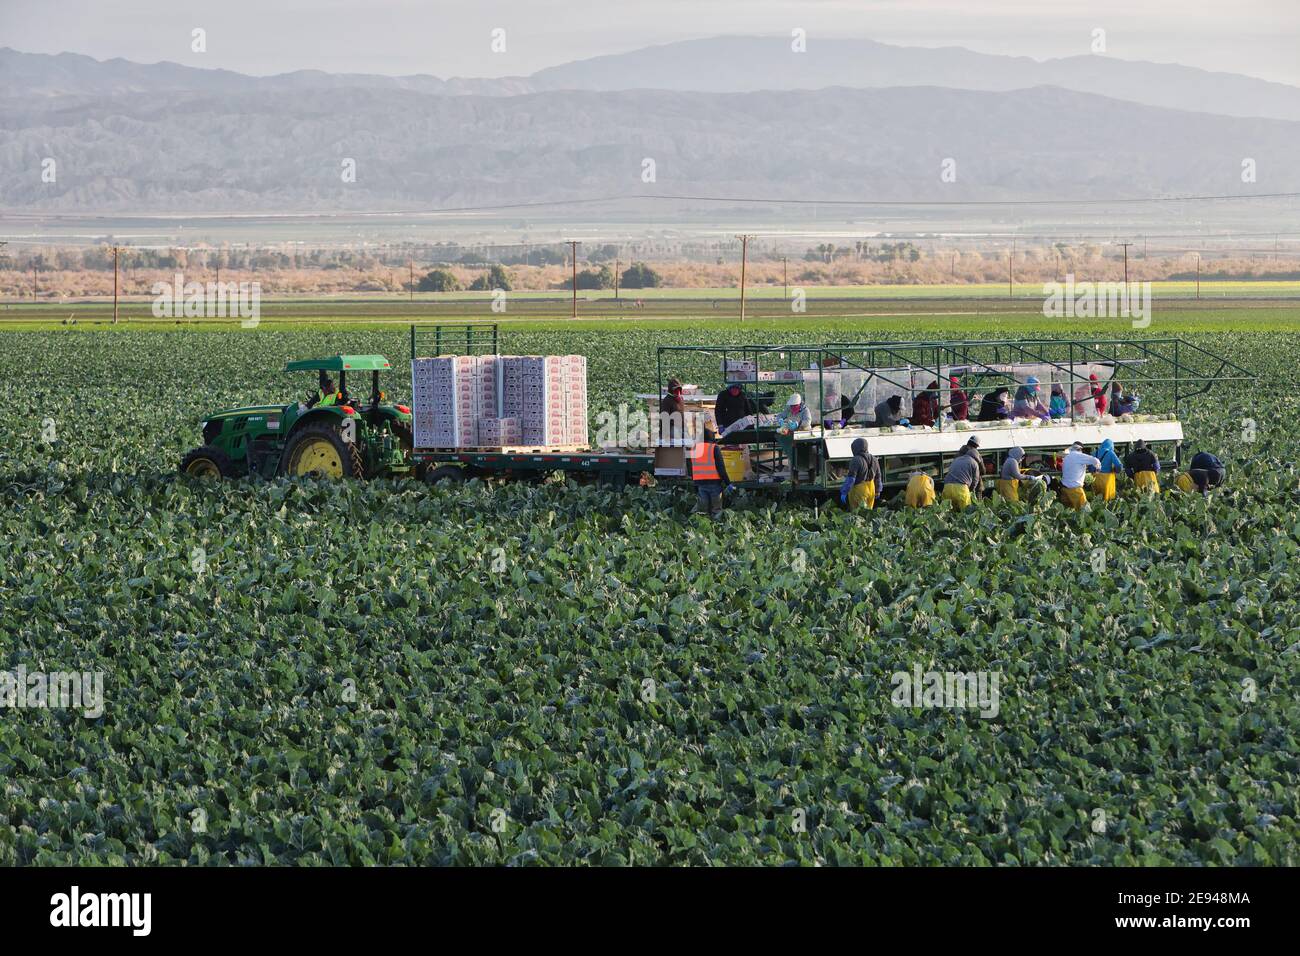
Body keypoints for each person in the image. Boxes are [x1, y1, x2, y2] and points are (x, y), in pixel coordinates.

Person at [690, 424, 729, 518]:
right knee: (716, 510)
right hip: (714, 484)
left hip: (700, 484)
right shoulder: (714, 448)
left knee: (703, 511)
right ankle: (717, 527)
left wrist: (695, 484)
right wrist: (728, 482)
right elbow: (721, 467)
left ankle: (704, 529)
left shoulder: (694, 449)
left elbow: (691, 468)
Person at [840, 437, 883, 511]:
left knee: (858, 515)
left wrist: (844, 492)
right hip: (871, 489)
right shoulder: (874, 459)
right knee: (869, 513)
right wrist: (878, 490)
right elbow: (878, 477)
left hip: (860, 491)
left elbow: (851, 479)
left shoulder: (856, 460)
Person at [1059, 441, 1101, 509]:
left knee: (1068, 513)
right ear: (1080, 449)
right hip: (1075, 490)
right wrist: (1098, 469)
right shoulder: (1079, 456)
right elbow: (1095, 461)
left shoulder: (1066, 457)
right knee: (1084, 512)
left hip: (1064, 489)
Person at [942, 443, 982, 510]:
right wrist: (970, 490)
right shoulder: (974, 463)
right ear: (976, 458)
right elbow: (975, 480)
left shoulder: (957, 459)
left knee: (949, 514)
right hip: (961, 489)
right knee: (966, 514)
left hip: (947, 488)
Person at [659, 377, 686, 443]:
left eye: (679, 389)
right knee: (677, 439)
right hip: (671, 427)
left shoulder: (680, 399)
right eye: (676, 389)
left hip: (680, 426)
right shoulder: (667, 400)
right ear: (671, 390)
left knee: (688, 441)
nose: (678, 391)